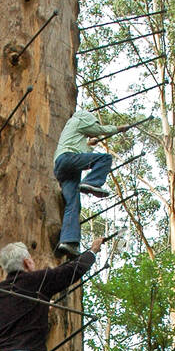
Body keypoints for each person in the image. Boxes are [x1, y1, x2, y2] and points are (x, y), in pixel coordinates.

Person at [53, 108, 127, 258]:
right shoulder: (79, 120)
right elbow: (98, 130)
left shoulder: (71, 129)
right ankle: (91, 182)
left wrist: (89, 145)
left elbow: (79, 148)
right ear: (88, 119)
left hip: (63, 168)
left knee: (73, 205)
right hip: (68, 159)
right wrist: (117, 129)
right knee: (105, 158)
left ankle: (68, 241)